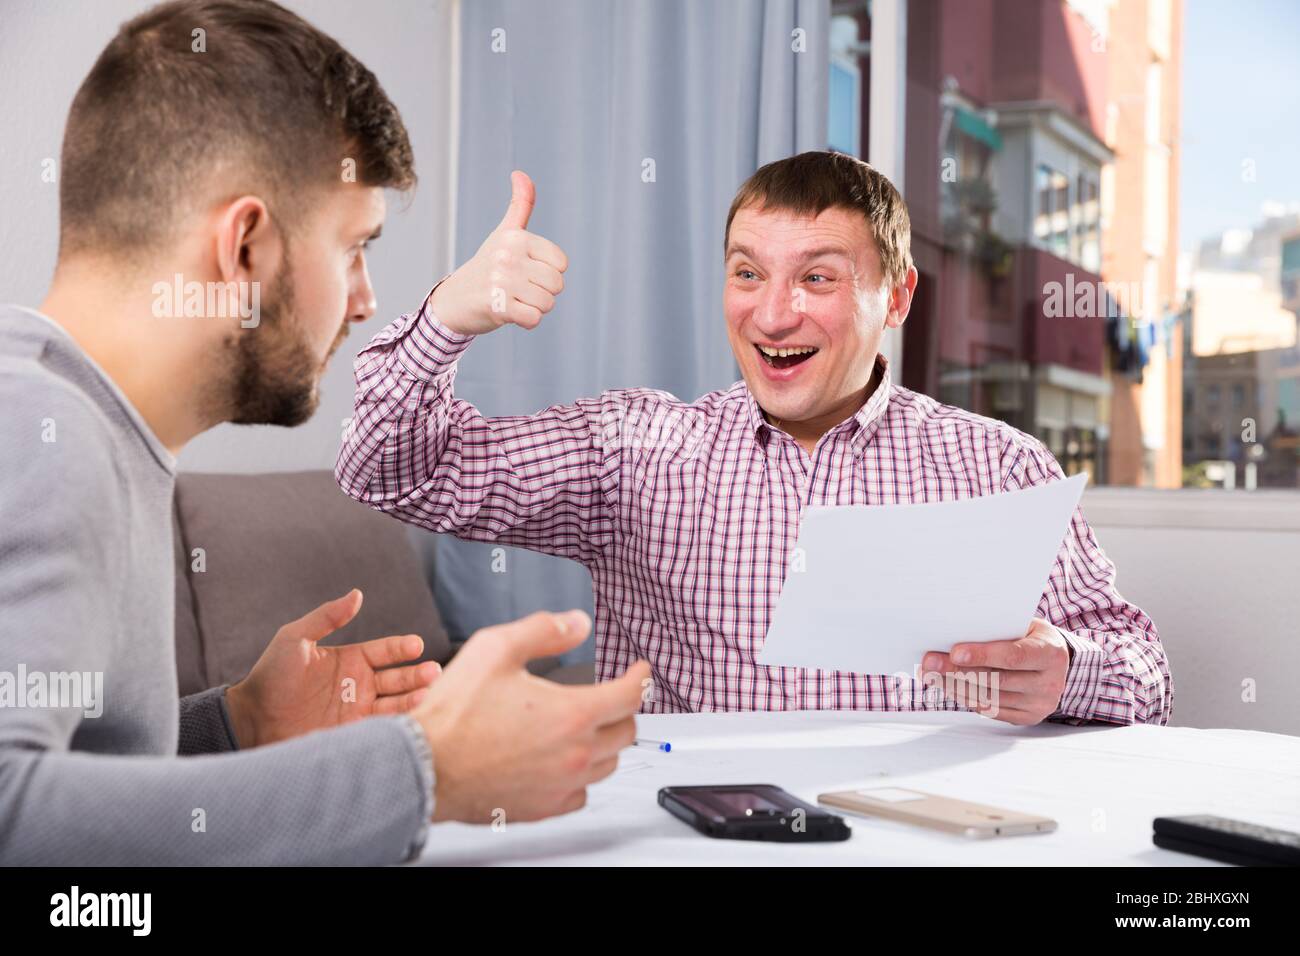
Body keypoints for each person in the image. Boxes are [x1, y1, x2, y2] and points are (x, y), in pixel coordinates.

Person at [0, 0, 648, 866]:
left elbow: (79, 776)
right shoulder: (45, 435)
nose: (366, 299)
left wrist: (233, 726)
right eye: (354, 248)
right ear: (245, 248)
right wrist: (423, 771)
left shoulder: (79, 426)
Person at [336, 151, 1172, 727]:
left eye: (817, 276)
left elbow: (1147, 675)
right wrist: (448, 315)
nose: (773, 315)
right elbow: (393, 472)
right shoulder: (633, 452)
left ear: (898, 295)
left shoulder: (1000, 466)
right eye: (747, 273)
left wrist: (1067, 670)